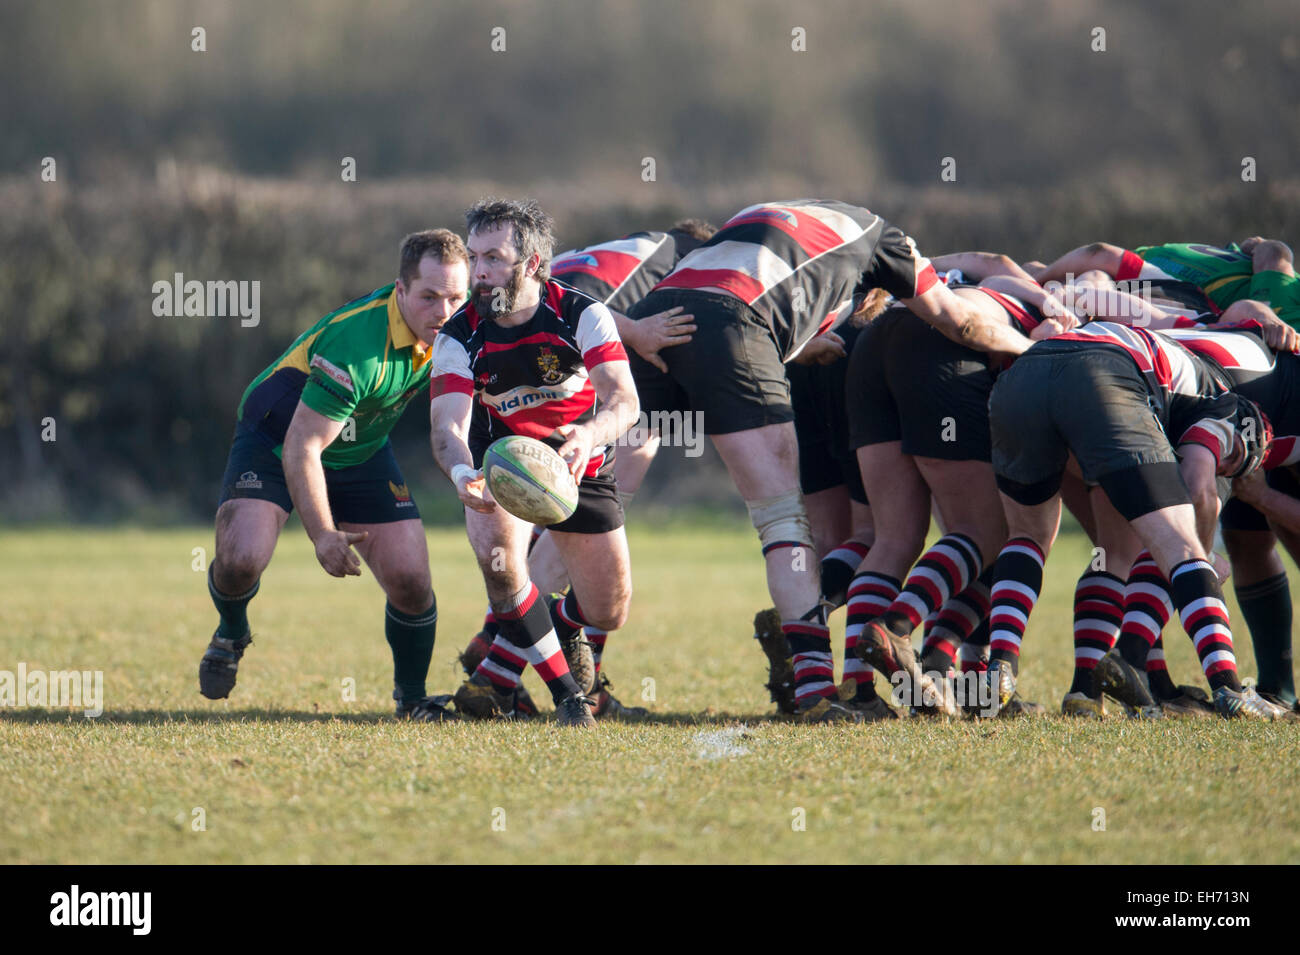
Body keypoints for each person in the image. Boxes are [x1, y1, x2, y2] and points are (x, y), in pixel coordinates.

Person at [626, 199, 1033, 722]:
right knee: (951, 533)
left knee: (603, 506)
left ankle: (841, 662)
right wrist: (1038, 338)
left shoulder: (772, 228)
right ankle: (893, 663)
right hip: (852, 355)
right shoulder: (890, 245)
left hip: (766, 346)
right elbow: (977, 298)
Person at [201, 230, 469, 720]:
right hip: (276, 441)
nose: (445, 312)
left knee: (411, 580)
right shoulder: (357, 345)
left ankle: (412, 700)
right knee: (240, 560)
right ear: (400, 290)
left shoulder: (463, 328)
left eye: (456, 297)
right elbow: (303, 446)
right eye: (429, 297)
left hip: (361, 451)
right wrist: (323, 534)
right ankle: (232, 630)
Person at [985, 320, 1281, 719]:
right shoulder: (1227, 404)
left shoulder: (1177, 369)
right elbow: (1199, 486)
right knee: (1182, 547)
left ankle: (1000, 664)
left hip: (1022, 376)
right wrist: (1205, 558)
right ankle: (1228, 688)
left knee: (1027, 536)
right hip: (1104, 375)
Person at [429, 198, 640, 728]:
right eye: (475, 257)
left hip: (580, 464)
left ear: (533, 264)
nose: (479, 272)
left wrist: (588, 437)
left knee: (607, 611)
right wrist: (462, 473)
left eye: (494, 258)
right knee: (502, 571)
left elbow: (623, 402)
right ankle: (569, 697)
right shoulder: (459, 335)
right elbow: (447, 428)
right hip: (499, 464)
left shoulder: (580, 313)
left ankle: (565, 622)